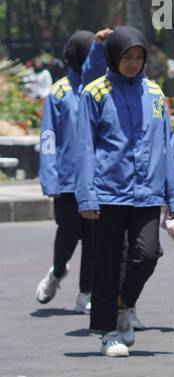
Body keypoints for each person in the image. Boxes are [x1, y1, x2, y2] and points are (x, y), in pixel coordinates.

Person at [76, 26, 174, 357]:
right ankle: (107, 329)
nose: (133, 63)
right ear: (114, 56)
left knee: (147, 254)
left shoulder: (153, 93)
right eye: (127, 56)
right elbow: (83, 147)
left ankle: (123, 304)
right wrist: (86, 196)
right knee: (107, 263)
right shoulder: (94, 93)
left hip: (147, 192)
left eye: (139, 57)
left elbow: (166, 145)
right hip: (108, 193)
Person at [36, 30, 98, 311]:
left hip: (94, 180)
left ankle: (86, 292)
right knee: (69, 232)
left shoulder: (99, 89)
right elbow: (48, 137)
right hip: (67, 181)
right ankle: (58, 270)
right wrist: (50, 178)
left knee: (94, 238)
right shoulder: (59, 92)